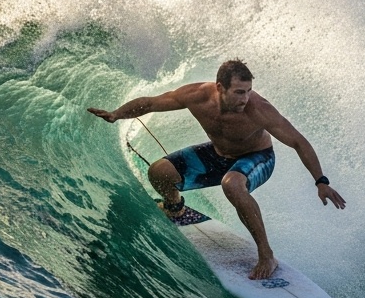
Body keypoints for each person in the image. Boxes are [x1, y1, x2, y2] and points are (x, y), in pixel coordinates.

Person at [88, 59, 345, 280]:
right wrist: (117, 114)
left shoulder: (259, 110)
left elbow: (298, 141)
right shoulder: (197, 95)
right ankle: (175, 206)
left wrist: (320, 181)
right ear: (220, 88)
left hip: (256, 158)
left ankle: (267, 256)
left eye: (248, 91)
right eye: (238, 92)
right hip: (218, 154)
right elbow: (152, 103)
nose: (245, 98)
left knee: (232, 184)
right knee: (159, 171)